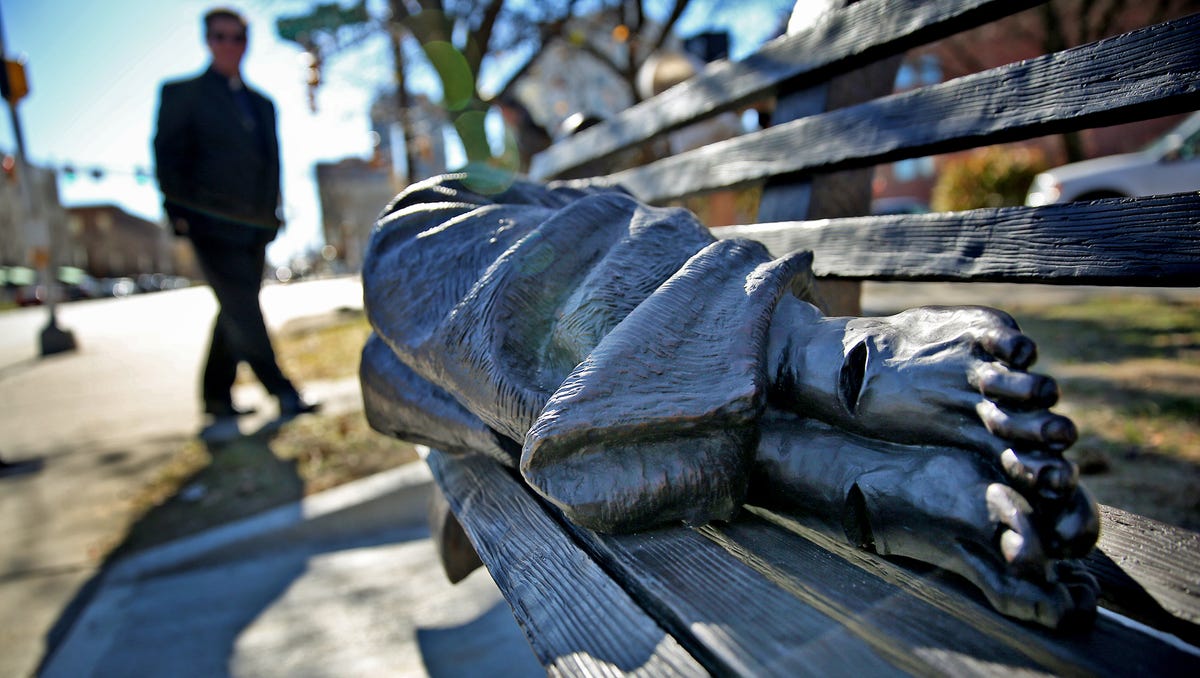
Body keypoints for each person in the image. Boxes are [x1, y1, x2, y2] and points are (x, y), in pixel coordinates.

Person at [360, 171, 1100, 629]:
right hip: (502, 365)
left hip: (517, 335)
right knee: (393, 372)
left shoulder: (503, 200)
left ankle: (842, 449)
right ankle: (836, 406)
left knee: (402, 249)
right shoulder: (530, 201)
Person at [154, 7, 317, 430]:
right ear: (207, 41)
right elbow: (167, 156)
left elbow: (272, 163)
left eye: (237, 37)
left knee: (234, 307)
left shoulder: (262, 104)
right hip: (209, 225)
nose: (229, 45)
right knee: (243, 307)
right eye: (220, 37)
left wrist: (273, 213)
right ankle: (281, 389)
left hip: (254, 225)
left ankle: (215, 396)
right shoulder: (181, 93)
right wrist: (179, 214)